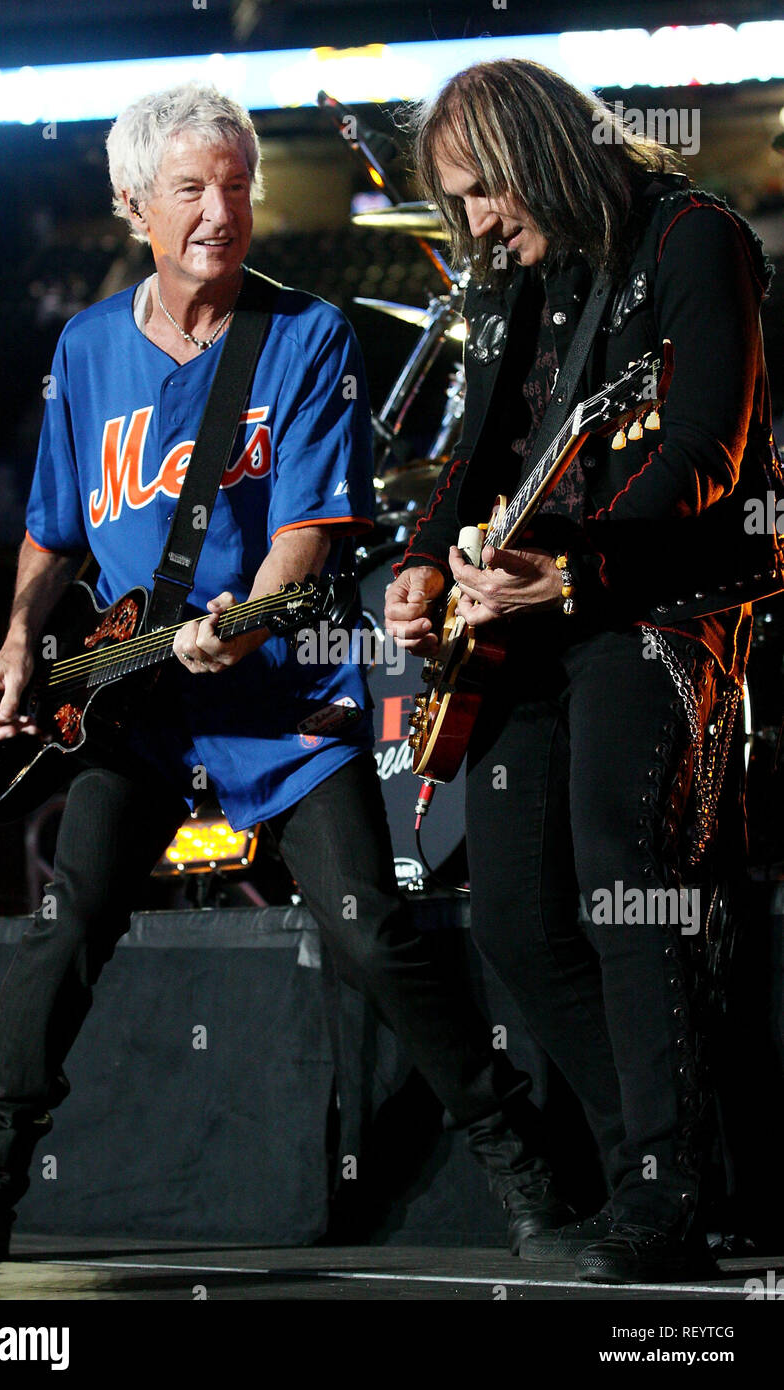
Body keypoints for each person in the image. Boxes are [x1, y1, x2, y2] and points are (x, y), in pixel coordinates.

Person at [0, 81, 569, 1263]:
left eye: (235, 186)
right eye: (190, 190)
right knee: (64, 931)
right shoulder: (84, 347)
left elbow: (309, 535)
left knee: (373, 931)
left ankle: (518, 1156)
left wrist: (248, 612)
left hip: (278, 696)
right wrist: (19, 636)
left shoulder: (305, 334)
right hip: (138, 707)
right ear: (133, 205)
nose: (220, 211)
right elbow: (52, 529)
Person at [385, 59, 784, 1283]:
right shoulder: (521, 280)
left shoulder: (690, 237)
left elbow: (706, 456)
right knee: (508, 912)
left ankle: (659, 1201)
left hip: (660, 601)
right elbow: (476, 452)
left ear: (545, 151)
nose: (474, 224)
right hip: (527, 619)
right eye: (454, 203)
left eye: (483, 192)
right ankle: (666, 1176)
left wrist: (579, 574)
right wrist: (418, 563)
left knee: (619, 871)